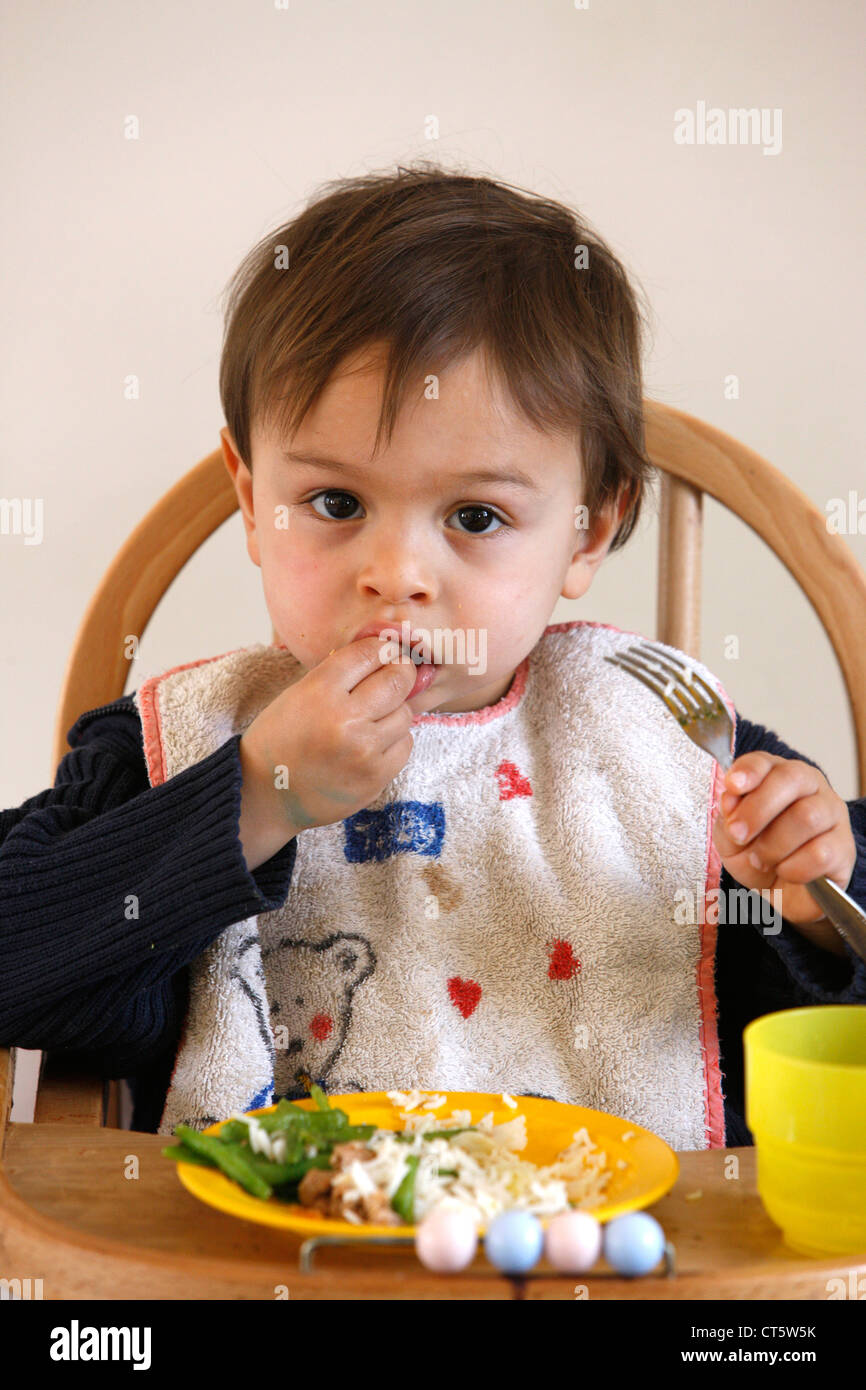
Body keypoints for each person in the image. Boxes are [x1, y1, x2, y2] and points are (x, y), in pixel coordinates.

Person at [2, 164, 864, 1150]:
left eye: (475, 515)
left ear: (590, 530)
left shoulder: (660, 746)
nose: (396, 572)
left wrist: (808, 904)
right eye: (335, 503)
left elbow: (803, 1022)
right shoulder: (186, 745)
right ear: (250, 495)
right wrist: (246, 801)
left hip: (613, 1261)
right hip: (262, 1260)